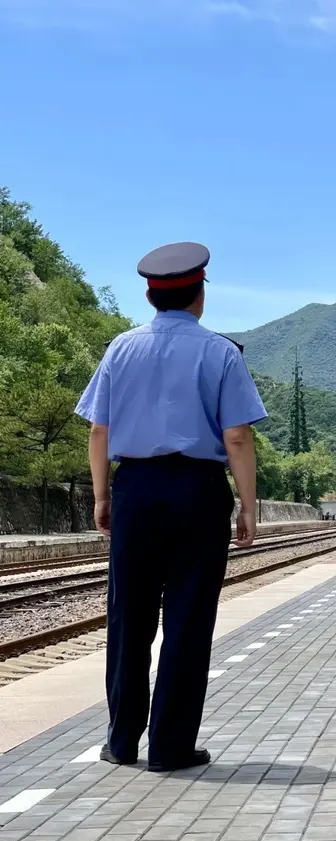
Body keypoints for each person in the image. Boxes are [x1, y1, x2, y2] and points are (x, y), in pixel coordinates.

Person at [75, 241, 267, 773]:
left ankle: (121, 741)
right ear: (200, 294)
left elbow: (98, 430)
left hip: (135, 490)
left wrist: (103, 496)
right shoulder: (222, 353)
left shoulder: (119, 350)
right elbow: (237, 437)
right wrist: (247, 506)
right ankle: (171, 746)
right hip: (198, 492)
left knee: (128, 618)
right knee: (188, 620)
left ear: (149, 296)